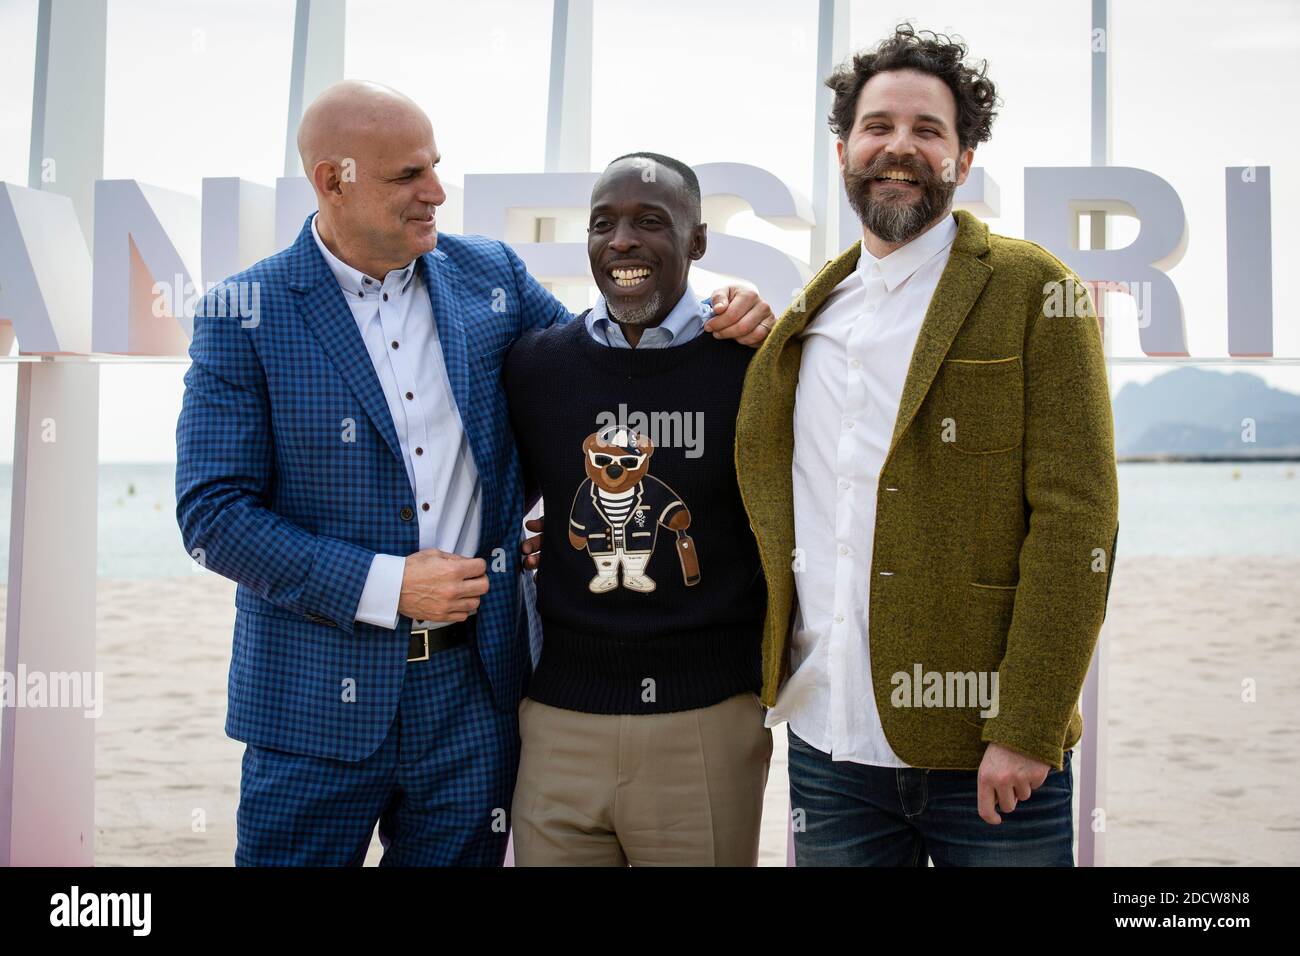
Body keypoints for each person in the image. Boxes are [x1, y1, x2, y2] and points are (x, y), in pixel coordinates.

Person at [175, 81, 773, 866]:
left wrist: (736, 312)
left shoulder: (489, 276)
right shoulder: (243, 312)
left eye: (435, 167)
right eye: (407, 178)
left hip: (475, 702)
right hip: (313, 708)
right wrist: (387, 586)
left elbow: (610, 375)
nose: (436, 193)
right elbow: (212, 515)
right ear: (332, 181)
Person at [736, 25, 1119, 866]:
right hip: (827, 739)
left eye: (927, 130)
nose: (898, 148)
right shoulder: (808, 318)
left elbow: (1078, 524)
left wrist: (1026, 727)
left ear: (963, 159)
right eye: (877, 127)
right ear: (843, 149)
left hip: (986, 753)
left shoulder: (1031, 288)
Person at [504, 153, 772, 866]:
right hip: (556, 722)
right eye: (604, 223)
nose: (622, 240)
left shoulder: (756, 366)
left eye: (650, 221)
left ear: (698, 241)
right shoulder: (533, 366)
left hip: (706, 727)